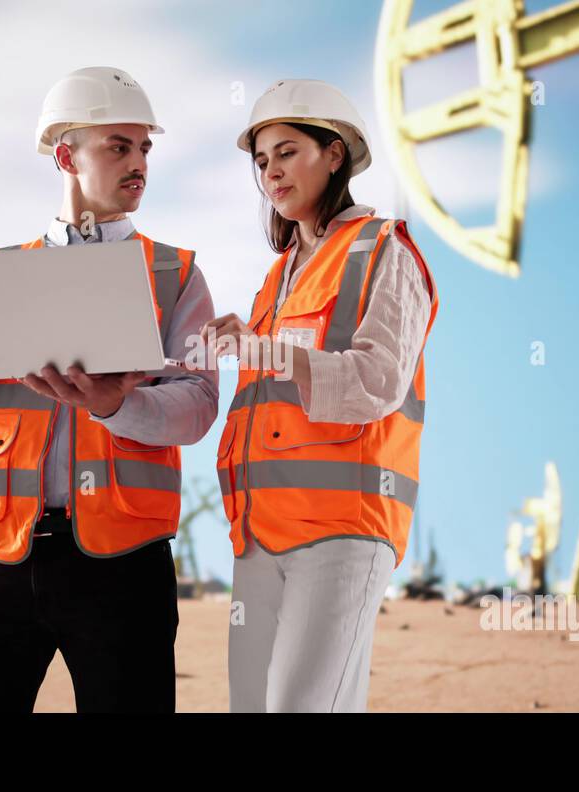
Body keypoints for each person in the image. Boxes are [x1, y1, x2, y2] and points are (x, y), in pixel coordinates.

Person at [0, 66, 218, 713]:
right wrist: (6, 326)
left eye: (144, 148)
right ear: (65, 155)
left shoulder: (174, 275)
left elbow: (197, 407)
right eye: (118, 146)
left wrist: (115, 404)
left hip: (124, 563)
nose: (138, 163)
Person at [202, 79, 439, 712]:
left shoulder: (384, 249)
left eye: (287, 152)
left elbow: (375, 382)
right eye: (260, 161)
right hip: (257, 531)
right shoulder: (277, 277)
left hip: (340, 529)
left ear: (335, 155)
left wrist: (263, 350)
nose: (270, 172)